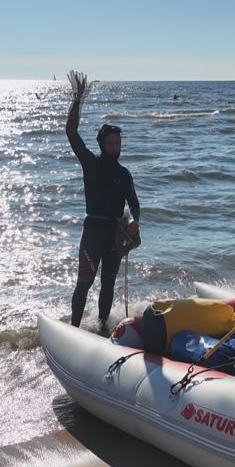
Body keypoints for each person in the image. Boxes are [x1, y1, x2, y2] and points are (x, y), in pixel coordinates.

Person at [64, 70, 141, 330]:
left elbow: (135, 203)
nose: (115, 147)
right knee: (84, 284)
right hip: (92, 233)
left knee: (108, 285)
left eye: (118, 142)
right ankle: (74, 331)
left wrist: (134, 223)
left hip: (114, 236)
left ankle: (101, 327)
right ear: (102, 144)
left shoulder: (124, 173)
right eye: (110, 143)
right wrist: (78, 99)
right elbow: (71, 133)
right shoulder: (91, 164)